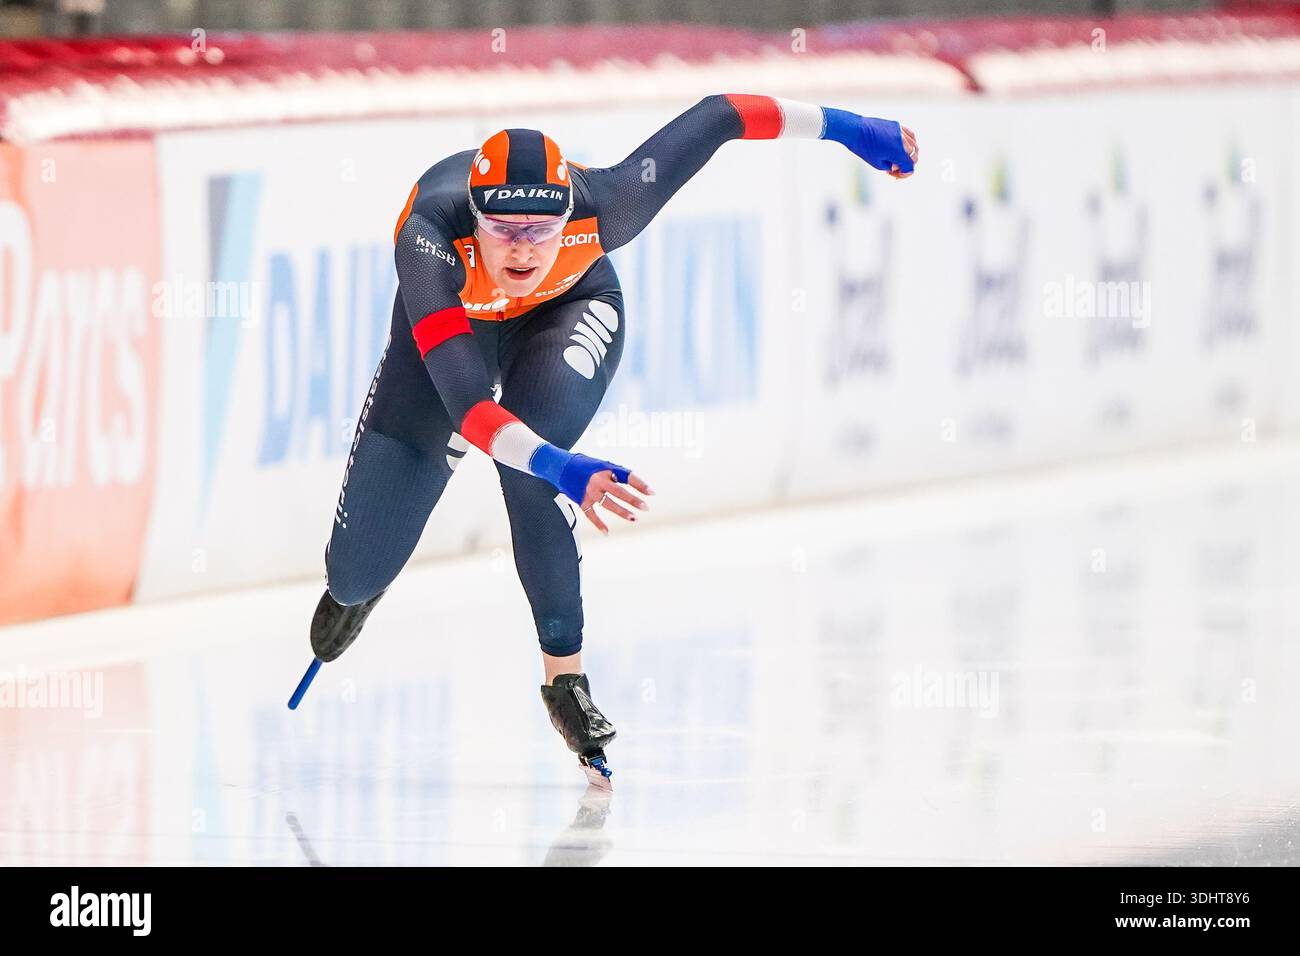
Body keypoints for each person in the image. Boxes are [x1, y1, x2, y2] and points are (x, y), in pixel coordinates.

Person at [297, 94, 919, 787]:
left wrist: (849, 129)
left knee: (527, 470)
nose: (524, 248)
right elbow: (471, 409)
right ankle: (363, 587)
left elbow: (722, 116)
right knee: (356, 573)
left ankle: (567, 684)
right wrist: (563, 467)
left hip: (566, 313)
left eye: (543, 227)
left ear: (571, 214)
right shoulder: (426, 241)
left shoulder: (613, 203)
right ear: (474, 219)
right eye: (503, 229)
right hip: (456, 328)